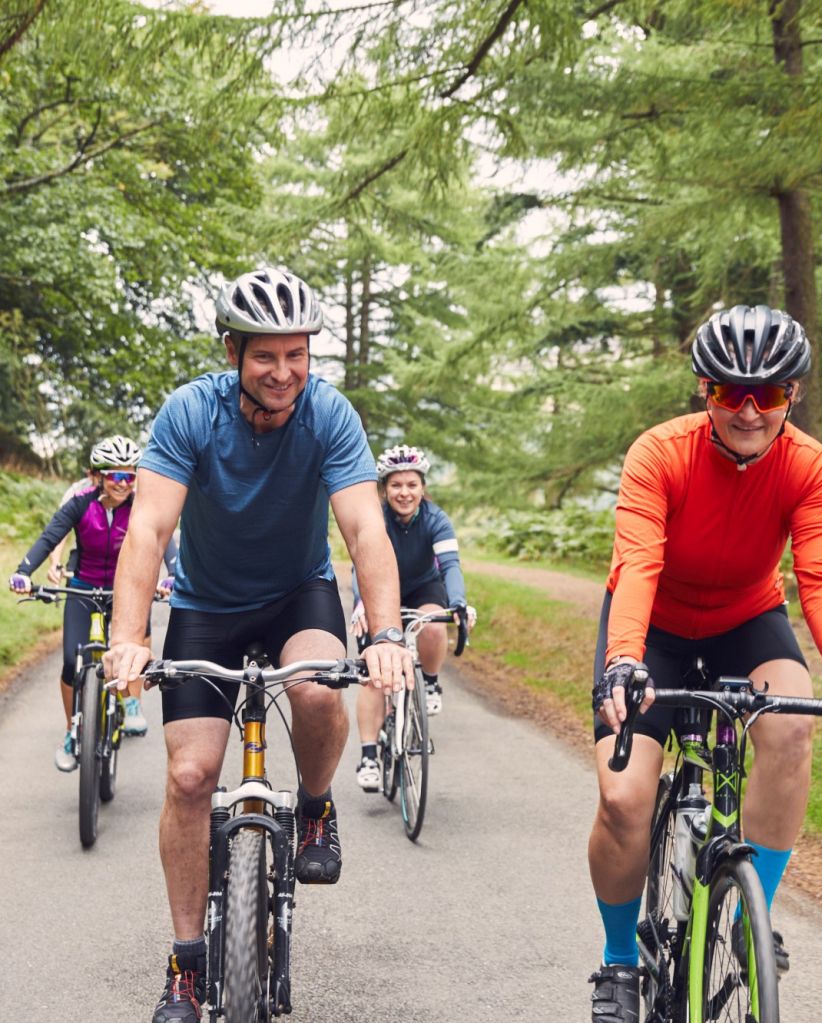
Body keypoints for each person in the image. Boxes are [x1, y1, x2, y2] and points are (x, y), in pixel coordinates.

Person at [101, 267, 414, 1023]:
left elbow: (365, 528)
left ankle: (313, 805)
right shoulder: (188, 414)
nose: (284, 372)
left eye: (297, 354)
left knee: (313, 685)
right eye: (266, 355)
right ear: (234, 351)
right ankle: (185, 964)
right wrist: (128, 636)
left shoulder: (331, 415)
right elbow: (148, 527)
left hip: (296, 594)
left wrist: (387, 633)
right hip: (207, 605)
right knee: (188, 774)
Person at [586, 305, 822, 1022]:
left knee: (790, 733)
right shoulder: (659, 453)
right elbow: (637, 563)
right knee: (624, 798)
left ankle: (744, 915)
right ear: (704, 389)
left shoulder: (808, 465)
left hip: (746, 620)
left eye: (772, 394)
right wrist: (625, 659)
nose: (750, 411)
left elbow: (820, 576)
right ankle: (618, 961)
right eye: (731, 393)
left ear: (795, 394)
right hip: (654, 624)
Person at [9, 435, 176, 767]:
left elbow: (165, 542)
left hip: (127, 589)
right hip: (83, 587)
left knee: (134, 644)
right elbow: (49, 537)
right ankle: (74, 731)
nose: (124, 483)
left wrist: (174, 575)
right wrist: (24, 571)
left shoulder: (142, 508)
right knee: (72, 662)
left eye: (131, 476)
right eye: (116, 475)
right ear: (98, 476)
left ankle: (130, 703)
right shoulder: (80, 504)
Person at [349, 444, 475, 791]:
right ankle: (369, 755)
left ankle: (431, 682)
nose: (404, 493)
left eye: (411, 485)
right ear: (385, 489)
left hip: (422, 589)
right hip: (379, 588)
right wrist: (362, 605)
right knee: (374, 675)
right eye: (396, 485)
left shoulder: (436, 519)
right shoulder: (375, 517)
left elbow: (450, 567)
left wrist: (459, 604)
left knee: (433, 623)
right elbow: (360, 567)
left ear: (422, 487)